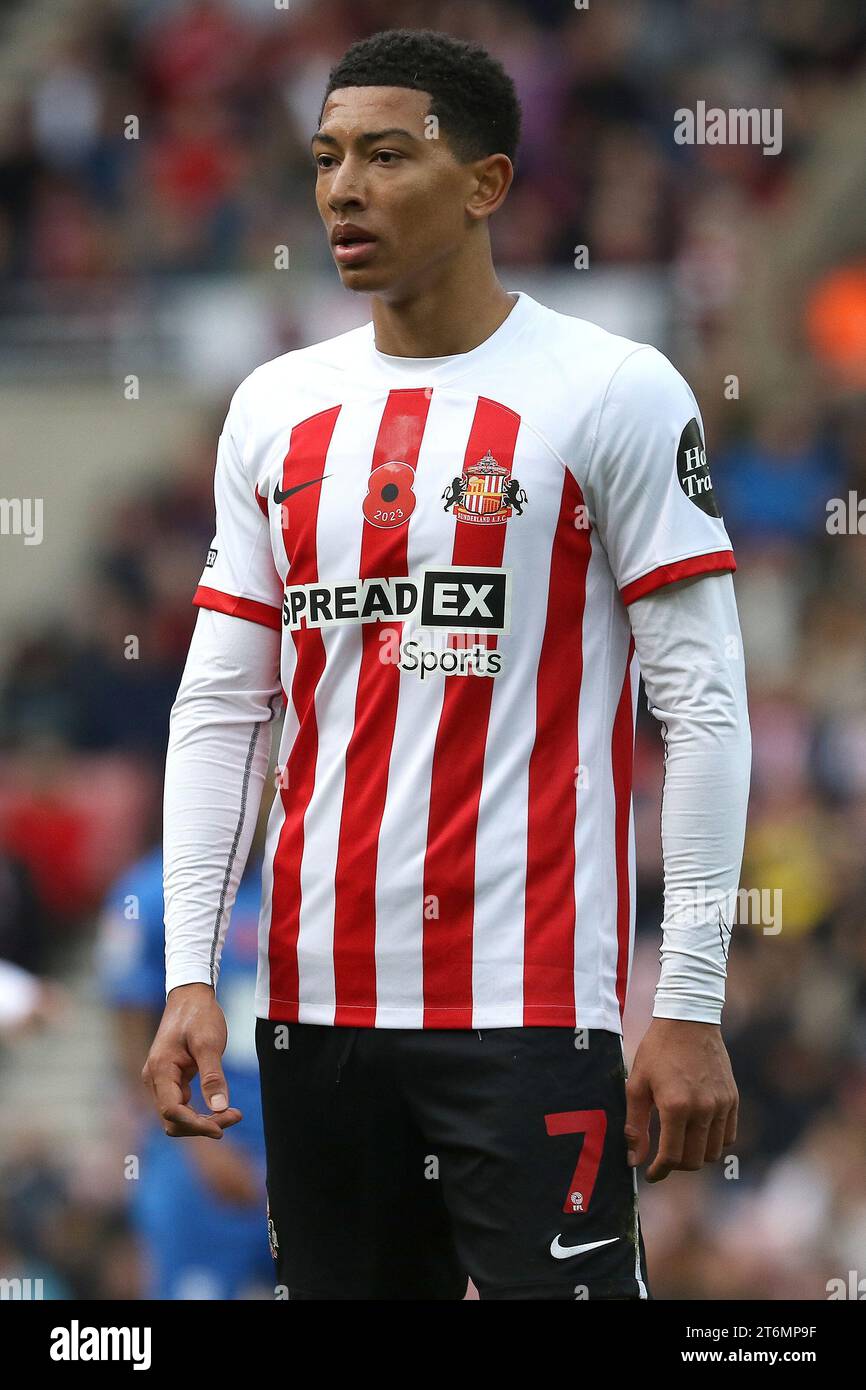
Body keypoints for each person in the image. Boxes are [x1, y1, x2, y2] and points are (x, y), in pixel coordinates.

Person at [143, 28, 751, 1301]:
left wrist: (687, 997)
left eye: (385, 154)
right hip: (312, 1019)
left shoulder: (614, 392)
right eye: (324, 159)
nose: (342, 189)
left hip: (528, 1016)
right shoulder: (273, 408)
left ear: (484, 182)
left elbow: (700, 707)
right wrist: (191, 972)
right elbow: (220, 709)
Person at [101, 846, 272, 1299]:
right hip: (197, 1151)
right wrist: (200, 1148)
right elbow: (130, 1034)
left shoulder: (300, 876)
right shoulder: (150, 890)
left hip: (294, 1151)